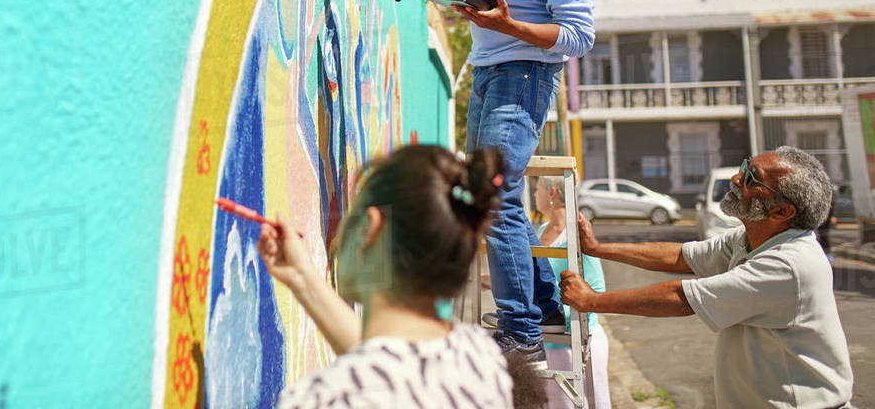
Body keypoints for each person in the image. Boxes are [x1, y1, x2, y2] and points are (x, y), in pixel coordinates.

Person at [359, 0, 595, 365]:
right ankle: (543, 307)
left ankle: (521, 333)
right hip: (488, 69)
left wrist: (510, 26)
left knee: (492, 194)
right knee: (493, 192)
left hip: (527, 75)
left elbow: (579, 36)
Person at [560, 147, 854, 408]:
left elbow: (683, 298)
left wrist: (592, 301)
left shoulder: (788, 264)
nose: (736, 179)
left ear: (781, 211)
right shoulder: (751, 238)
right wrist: (598, 249)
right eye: (745, 167)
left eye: (751, 178)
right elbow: (681, 256)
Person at [257, 145, 518, 408]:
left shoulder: (321, 399)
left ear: (367, 230)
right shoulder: (481, 359)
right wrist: (302, 277)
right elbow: (387, 366)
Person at [532, 176, 611, 408]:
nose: (534, 194)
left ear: (552, 193)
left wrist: (561, 314)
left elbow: (597, 289)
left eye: (537, 189)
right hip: (551, 341)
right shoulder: (542, 230)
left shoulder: (575, 233)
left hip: (581, 342)